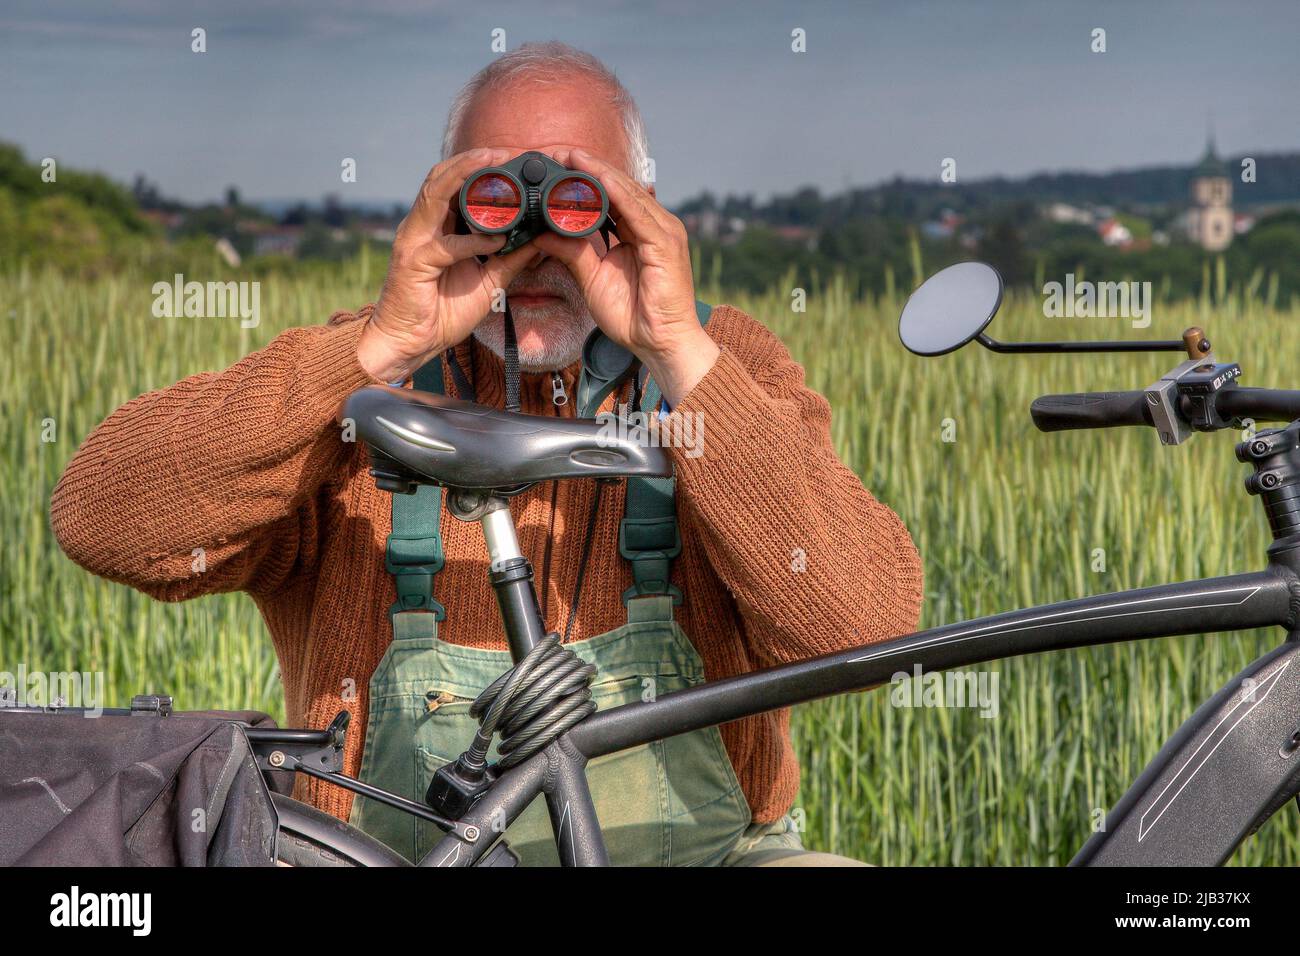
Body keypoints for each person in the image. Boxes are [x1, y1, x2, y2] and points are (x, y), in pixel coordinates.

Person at [50, 41, 923, 866]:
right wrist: (378, 346)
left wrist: (681, 355)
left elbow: (865, 631)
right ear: (444, 203)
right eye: (497, 200)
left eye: (584, 206)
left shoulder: (724, 371)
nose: (541, 245)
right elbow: (105, 520)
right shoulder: (350, 397)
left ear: (642, 213)